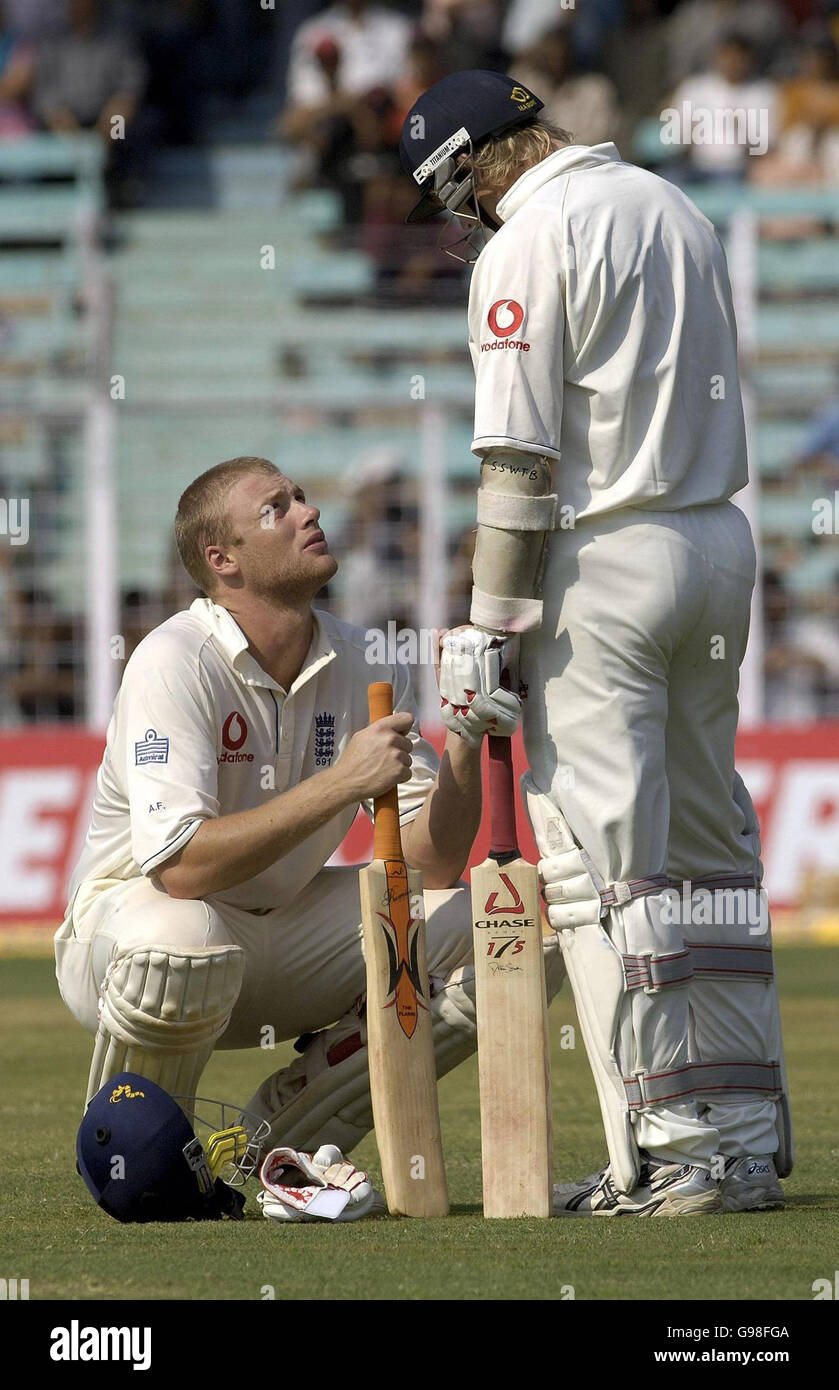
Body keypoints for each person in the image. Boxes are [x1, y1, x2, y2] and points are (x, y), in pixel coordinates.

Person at [399, 69, 792, 1215]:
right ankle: (744, 1126)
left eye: (454, 194)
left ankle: (671, 1154)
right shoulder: (669, 203)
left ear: (469, 167)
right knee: (710, 846)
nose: (461, 220)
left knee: (606, 870)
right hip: (716, 542)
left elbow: (518, 467)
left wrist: (486, 626)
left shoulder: (528, 242)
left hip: (605, 556)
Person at [55, 455, 564, 1158]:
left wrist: (461, 743)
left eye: (301, 497)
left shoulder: (364, 659)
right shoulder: (174, 658)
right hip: (134, 935)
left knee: (517, 932)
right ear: (222, 559)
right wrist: (339, 782)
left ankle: (287, 1125)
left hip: (285, 939)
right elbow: (179, 869)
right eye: (276, 508)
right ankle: (132, 1151)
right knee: (184, 946)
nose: (308, 512)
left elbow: (431, 862)